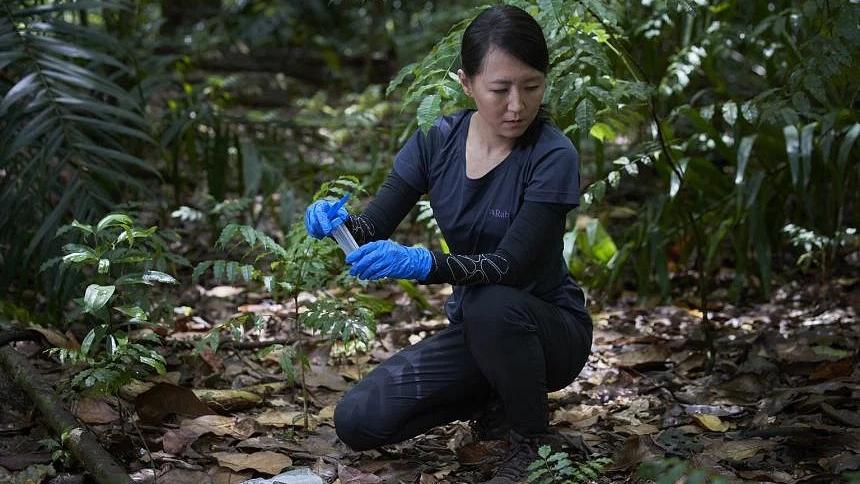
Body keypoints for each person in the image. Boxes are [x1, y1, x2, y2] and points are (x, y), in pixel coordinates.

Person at [304, 5, 592, 482]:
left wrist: (423, 264)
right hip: (478, 331)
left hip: (549, 332)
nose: (517, 105)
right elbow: (371, 229)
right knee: (357, 420)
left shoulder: (552, 154)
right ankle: (496, 401)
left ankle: (533, 444)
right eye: (500, 89)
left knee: (489, 302)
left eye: (531, 87)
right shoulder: (436, 141)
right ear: (466, 83)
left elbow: (508, 267)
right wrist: (338, 226)